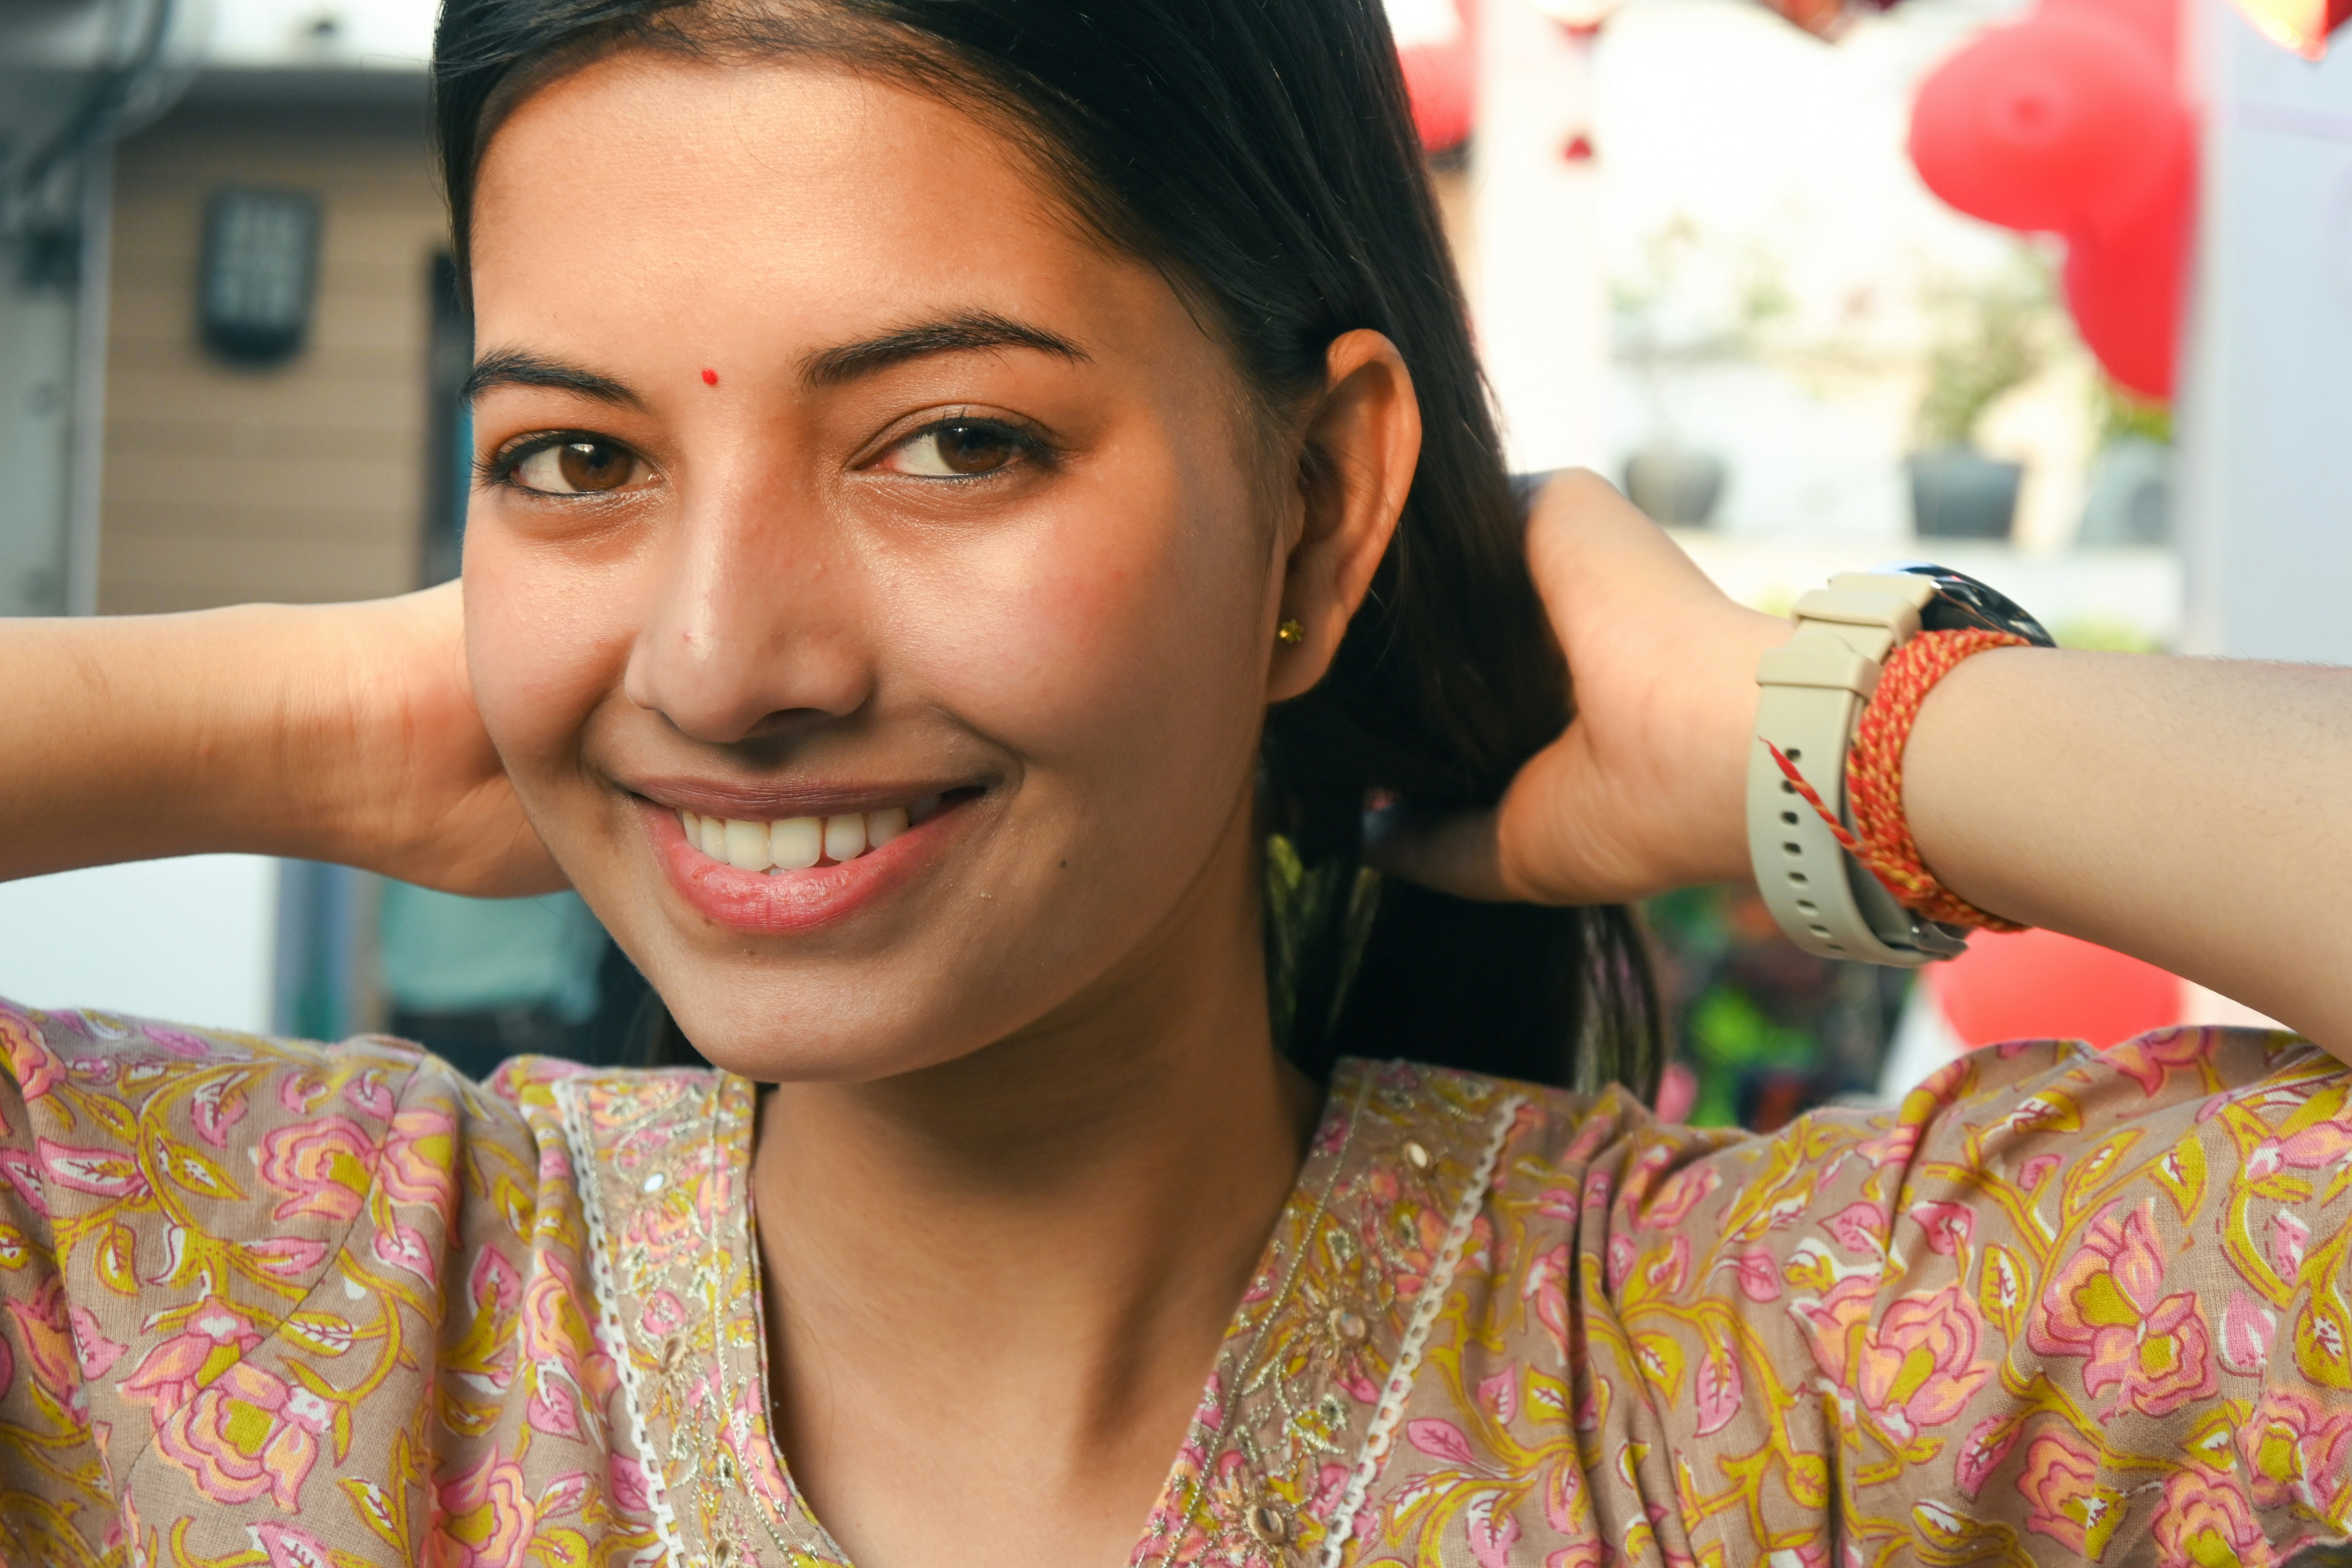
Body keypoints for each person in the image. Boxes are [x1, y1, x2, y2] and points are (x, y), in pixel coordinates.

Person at [0, 0, 2345, 1562]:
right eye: (575, 457)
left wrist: (1824, 724)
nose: (721, 666)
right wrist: (321, 717)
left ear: (1315, 512)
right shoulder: (255, 1313)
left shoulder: (1794, 1387)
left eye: (953, 441)